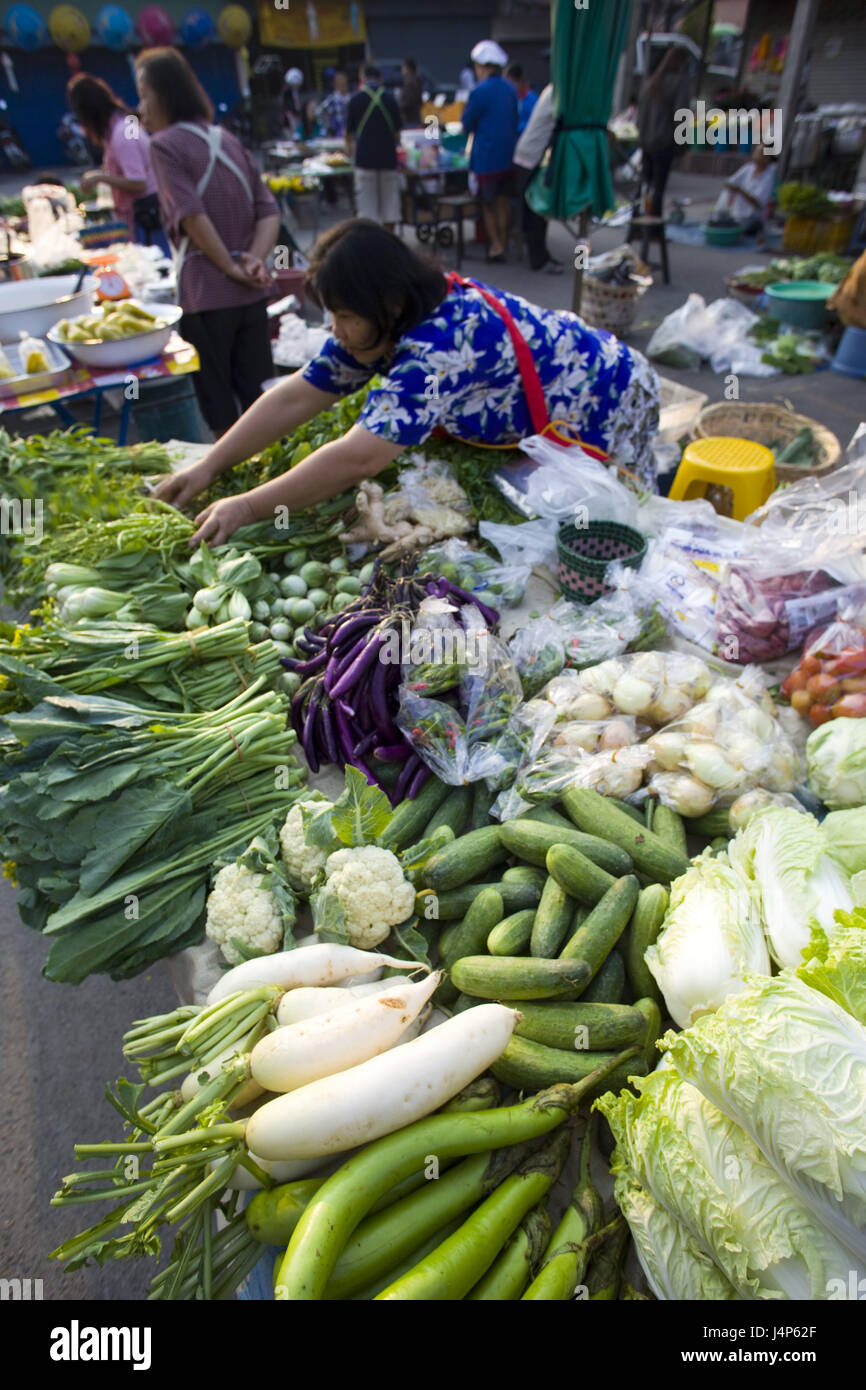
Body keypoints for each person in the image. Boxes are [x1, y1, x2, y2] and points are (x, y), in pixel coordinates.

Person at [152, 219, 662, 543]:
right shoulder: (383, 323)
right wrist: (211, 464)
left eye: (344, 315)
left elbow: (360, 457)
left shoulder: (441, 348)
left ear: (390, 305)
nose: (336, 331)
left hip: (612, 398)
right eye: (332, 314)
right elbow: (296, 396)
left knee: (622, 523)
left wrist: (248, 506)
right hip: (556, 393)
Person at [136, 48, 280, 438]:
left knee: (219, 406)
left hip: (206, 295)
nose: (140, 107)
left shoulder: (163, 145)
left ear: (162, 95)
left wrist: (230, 267)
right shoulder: (228, 138)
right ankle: (272, 482)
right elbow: (269, 210)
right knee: (259, 397)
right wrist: (252, 260)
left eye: (143, 93)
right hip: (251, 293)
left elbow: (191, 215)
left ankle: (237, 486)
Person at [67, 72, 169, 254]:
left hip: (148, 218)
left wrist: (100, 178)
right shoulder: (121, 126)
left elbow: (138, 182)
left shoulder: (122, 134)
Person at [461, 40, 518, 263]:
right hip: (508, 156)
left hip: (486, 157)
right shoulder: (510, 89)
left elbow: (467, 124)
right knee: (504, 201)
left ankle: (495, 246)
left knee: (488, 203)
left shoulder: (479, 91)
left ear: (483, 66)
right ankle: (503, 242)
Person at [346, 63, 402, 232]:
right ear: (380, 79)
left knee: (367, 212)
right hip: (388, 160)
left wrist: (350, 153)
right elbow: (398, 134)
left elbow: (348, 134)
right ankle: (389, 244)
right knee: (390, 209)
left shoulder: (355, 100)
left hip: (364, 161)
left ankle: (370, 247)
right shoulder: (390, 99)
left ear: (362, 78)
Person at [513, 81, 561, 273]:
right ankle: (538, 259)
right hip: (530, 156)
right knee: (536, 210)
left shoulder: (550, 91)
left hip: (530, 154)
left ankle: (540, 255)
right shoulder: (556, 92)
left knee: (535, 210)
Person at [637, 45, 690, 217]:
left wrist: (642, 138)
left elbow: (641, 116)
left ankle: (638, 220)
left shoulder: (651, 82)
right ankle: (654, 225)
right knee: (658, 187)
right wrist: (682, 144)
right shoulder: (679, 81)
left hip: (647, 141)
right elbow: (681, 115)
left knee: (645, 185)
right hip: (664, 141)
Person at [713, 145, 776, 235]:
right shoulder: (748, 168)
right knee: (720, 220)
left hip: (754, 219)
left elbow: (758, 203)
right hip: (737, 215)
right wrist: (730, 187)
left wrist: (739, 190)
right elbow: (729, 182)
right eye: (756, 152)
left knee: (748, 228)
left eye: (759, 153)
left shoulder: (769, 175)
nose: (756, 155)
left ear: (767, 158)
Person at [506, 63, 537, 136]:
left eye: (511, 83)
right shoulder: (513, 98)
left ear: (520, 81)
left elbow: (533, 124)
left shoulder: (532, 99)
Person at [317, 69, 350, 140]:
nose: (344, 84)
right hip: (335, 135)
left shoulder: (352, 99)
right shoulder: (331, 101)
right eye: (341, 82)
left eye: (345, 82)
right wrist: (328, 127)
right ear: (336, 84)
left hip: (351, 135)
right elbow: (318, 113)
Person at [399, 58, 423, 128]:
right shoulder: (416, 80)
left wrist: (401, 110)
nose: (402, 70)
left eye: (403, 68)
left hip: (409, 118)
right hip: (415, 116)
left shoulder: (410, 83)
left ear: (408, 69)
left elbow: (408, 101)